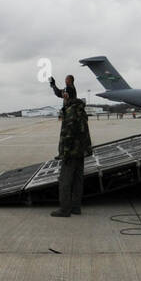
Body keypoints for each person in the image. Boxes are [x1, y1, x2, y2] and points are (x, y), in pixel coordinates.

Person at [48, 74, 93, 217]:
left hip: (72, 151)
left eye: (64, 94)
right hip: (81, 150)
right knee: (78, 179)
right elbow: (58, 92)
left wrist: (64, 153)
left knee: (65, 180)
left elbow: (68, 135)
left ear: (67, 95)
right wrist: (53, 85)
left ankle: (65, 209)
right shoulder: (79, 108)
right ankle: (76, 207)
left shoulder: (71, 111)